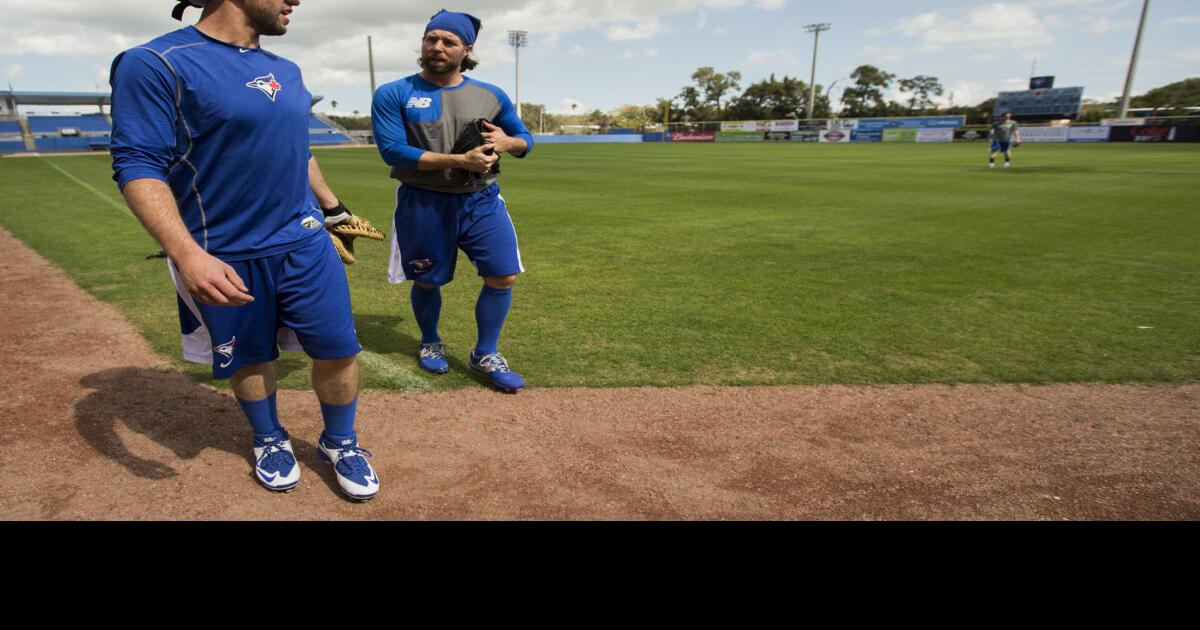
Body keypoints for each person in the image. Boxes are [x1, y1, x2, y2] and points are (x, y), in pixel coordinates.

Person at [109, 0, 380, 501]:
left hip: (303, 241)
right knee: (250, 358)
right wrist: (187, 254)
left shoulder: (287, 69)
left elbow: (298, 149)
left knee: (340, 349)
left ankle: (340, 442)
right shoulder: (155, 62)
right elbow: (136, 164)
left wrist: (333, 209)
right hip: (224, 251)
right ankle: (269, 438)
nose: (296, 1)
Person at [372, 9, 534, 392]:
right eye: (432, 39)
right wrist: (459, 160)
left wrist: (509, 142)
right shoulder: (395, 93)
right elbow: (393, 152)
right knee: (428, 281)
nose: (437, 47)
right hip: (424, 202)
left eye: (448, 41)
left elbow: (524, 138)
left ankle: (486, 352)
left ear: (467, 49)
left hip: (481, 199)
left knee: (503, 274)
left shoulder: (490, 95)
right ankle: (430, 340)